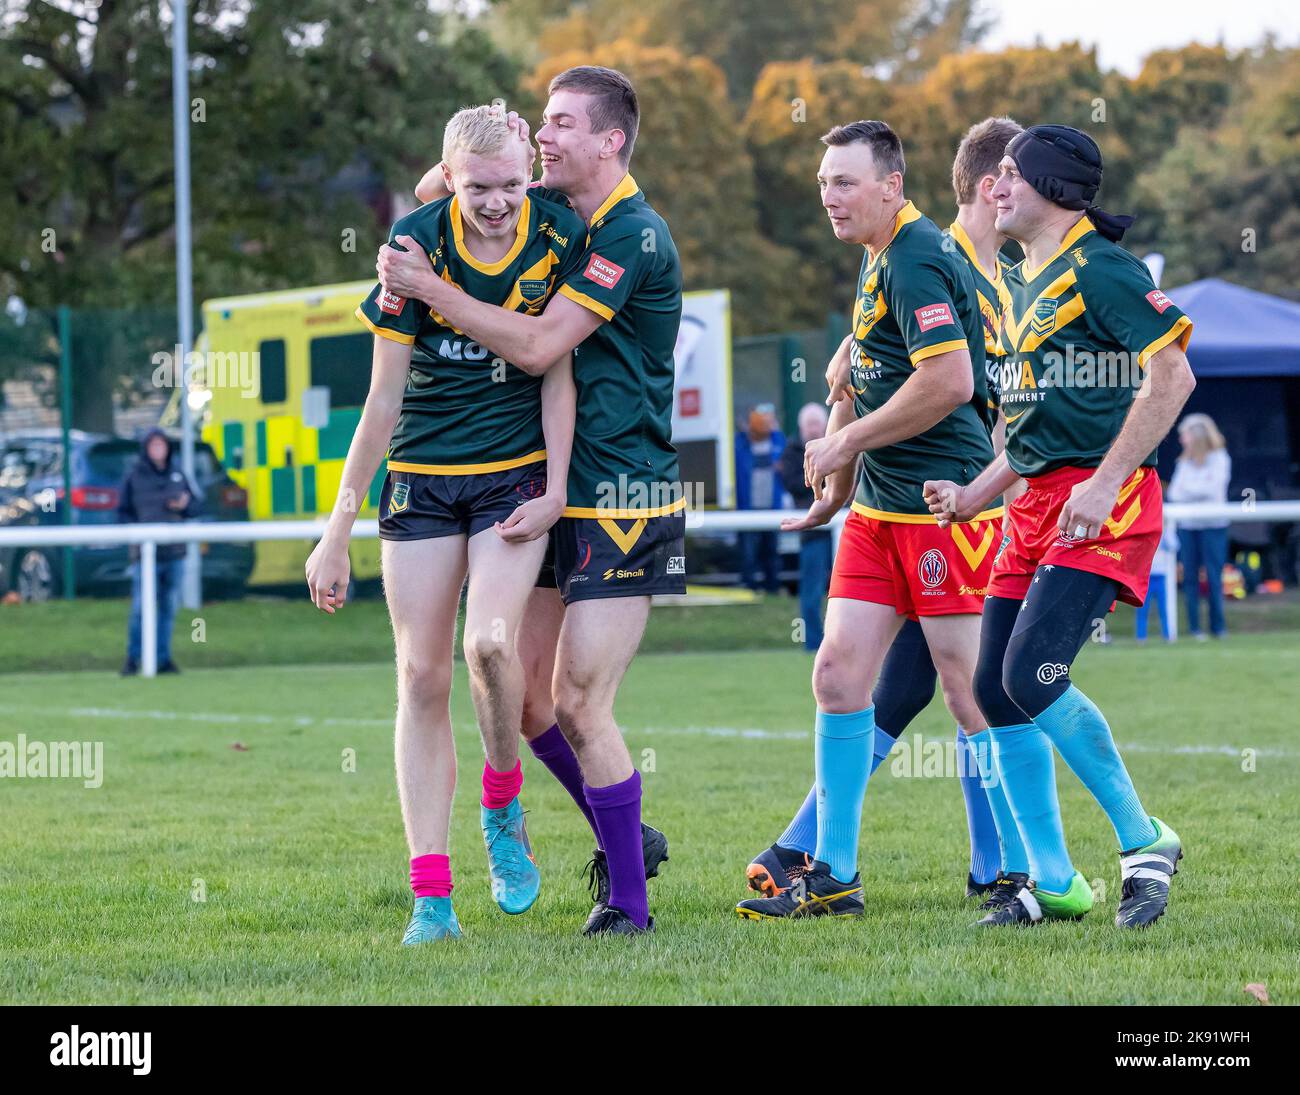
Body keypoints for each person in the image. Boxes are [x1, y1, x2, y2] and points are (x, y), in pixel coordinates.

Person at [377, 67, 682, 936]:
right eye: (538, 124)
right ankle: (623, 835)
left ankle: (629, 904)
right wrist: (426, 219)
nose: (542, 137)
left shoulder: (634, 232)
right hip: (545, 486)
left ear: (610, 141)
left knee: (582, 700)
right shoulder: (561, 208)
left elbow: (545, 344)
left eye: (558, 124)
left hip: (622, 489)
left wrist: (430, 286)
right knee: (515, 690)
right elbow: (460, 182)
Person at [306, 105, 585, 945]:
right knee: (420, 677)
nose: (496, 202)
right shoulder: (412, 249)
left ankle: (502, 799)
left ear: (528, 175)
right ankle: (432, 897)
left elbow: (556, 374)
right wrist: (336, 528)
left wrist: (558, 488)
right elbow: (381, 401)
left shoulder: (558, 236)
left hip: (513, 481)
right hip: (422, 486)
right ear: (447, 179)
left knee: (491, 647)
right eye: (476, 188)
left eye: (509, 184)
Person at [743, 119, 1028, 907]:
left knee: (971, 691)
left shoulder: (917, 255)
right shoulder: (882, 256)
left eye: (844, 182)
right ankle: (833, 871)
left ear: (892, 186)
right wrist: (836, 485)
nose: (829, 196)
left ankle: (1017, 865)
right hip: (878, 512)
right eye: (824, 182)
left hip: (949, 509)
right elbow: (858, 375)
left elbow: (949, 382)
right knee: (837, 675)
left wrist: (843, 446)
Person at [925, 124, 1196, 929]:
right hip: (1038, 503)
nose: (995, 187)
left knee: (1035, 670)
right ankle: (1054, 881)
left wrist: (1107, 482)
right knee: (995, 688)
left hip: (1103, 502)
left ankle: (1146, 842)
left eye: (1011, 174)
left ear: (1051, 187)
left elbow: (1175, 373)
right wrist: (978, 493)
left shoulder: (1102, 269)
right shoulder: (1024, 277)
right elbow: (1039, 432)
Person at [118, 428, 201, 676]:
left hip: (174, 553)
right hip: (146, 556)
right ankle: (133, 659)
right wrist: (135, 535)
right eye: (153, 445)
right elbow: (122, 513)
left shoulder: (177, 473)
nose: (158, 449)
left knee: (167, 609)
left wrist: (184, 506)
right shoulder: (134, 476)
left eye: (161, 445)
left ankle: (162, 659)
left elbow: (196, 506)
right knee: (140, 609)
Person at [1168, 413, 1231, 639]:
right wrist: (1195, 491)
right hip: (1187, 525)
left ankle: (1218, 627)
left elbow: (1213, 489)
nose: (1181, 440)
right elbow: (1175, 493)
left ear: (1196, 435)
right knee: (1189, 577)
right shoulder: (1184, 461)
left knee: (1214, 576)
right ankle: (1194, 628)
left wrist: (1190, 492)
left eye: (1184, 435)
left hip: (1213, 525)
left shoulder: (1220, 458)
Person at [782, 402, 832, 650]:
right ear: (801, 428)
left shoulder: (840, 445)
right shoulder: (791, 453)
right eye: (809, 425)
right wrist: (825, 490)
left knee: (849, 591)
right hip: (812, 532)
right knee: (811, 592)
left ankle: (843, 645)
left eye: (817, 424)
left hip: (842, 528)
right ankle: (813, 644)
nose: (813, 429)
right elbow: (794, 483)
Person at [735, 402, 785, 593]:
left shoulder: (777, 442)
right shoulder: (741, 444)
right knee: (748, 553)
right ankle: (749, 588)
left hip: (772, 508)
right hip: (748, 508)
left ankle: (772, 587)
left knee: (771, 550)